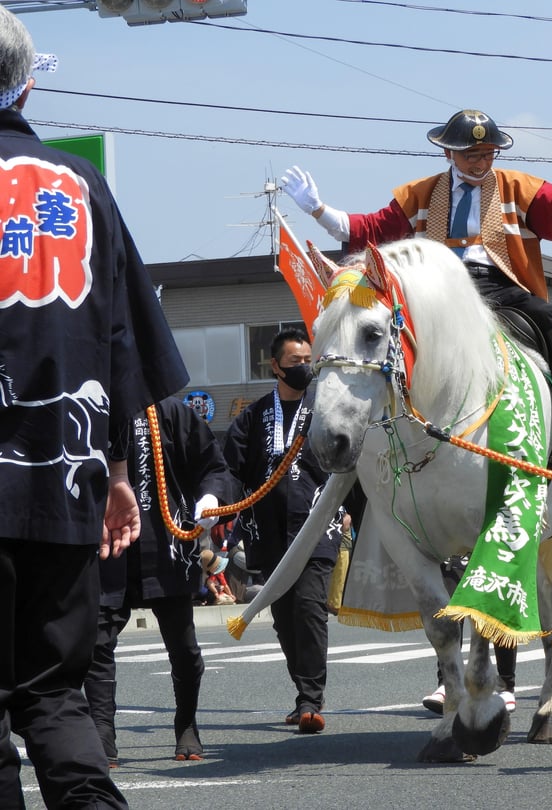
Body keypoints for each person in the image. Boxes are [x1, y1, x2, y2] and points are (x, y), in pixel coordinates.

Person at [0, 9, 188, 807]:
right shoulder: (83, 187)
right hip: (63, 485)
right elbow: (118, 343)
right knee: (53, 693)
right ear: (29, 79)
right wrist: (117, 473)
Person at [278, 108, 552, 448]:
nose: (480, 163)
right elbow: (370, 229)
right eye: (471, 155)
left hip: (498, 287)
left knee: (549, 319)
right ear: (448, 153)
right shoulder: (420, 193)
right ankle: (362, 423)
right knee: (375, 334)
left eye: (488, 154)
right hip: (434, 292)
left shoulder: (518, 187)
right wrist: (317, 209)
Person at [84, 397, 235, 766]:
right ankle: (103, 733)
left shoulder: (170, 412)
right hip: (106, 545)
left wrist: (210, 498)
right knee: (96, 648)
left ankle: (186, 723)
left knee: (184, 649)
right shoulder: (89, 405)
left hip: (165, 547)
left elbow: (212, 464)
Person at [223, 328, 347, 735]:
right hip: (267, 532)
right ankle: (303, 693)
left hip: (315, 524)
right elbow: (230, 470)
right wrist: (215, 507)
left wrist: (351, 509)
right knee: (284, 617)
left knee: (309, 607)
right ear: (275, 367)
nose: (304, 368)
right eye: (295, 363)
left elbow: (351, 460)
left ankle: (312, 699)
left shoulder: (327, 410)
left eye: (308, 361)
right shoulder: (253, 417)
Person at [421, 556, 518, 715]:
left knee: (498, 609)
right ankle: (447, 682)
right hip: (453, 557)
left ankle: (506, 685)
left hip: (492, 549)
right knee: (448, 609)